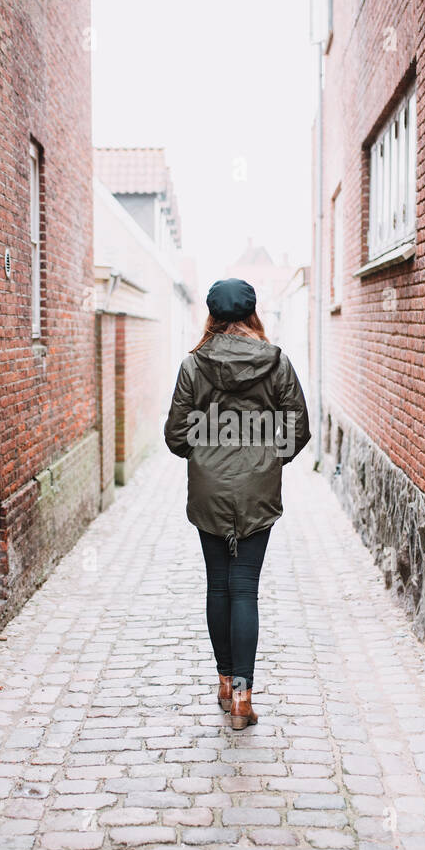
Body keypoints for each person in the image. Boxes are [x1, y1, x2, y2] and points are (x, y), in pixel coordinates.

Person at [164, 278, 311, 730]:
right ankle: (244, 701)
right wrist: (266, 459)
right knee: (245, 588)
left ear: (211, 315)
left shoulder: (194, 365)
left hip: (209, 490)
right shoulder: (276, 362)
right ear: (252, 314)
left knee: (217, 586)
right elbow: (298, 427)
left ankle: (225, 683)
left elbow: (175, 435)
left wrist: (207, 456)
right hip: (257, 490)